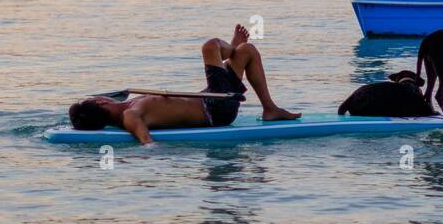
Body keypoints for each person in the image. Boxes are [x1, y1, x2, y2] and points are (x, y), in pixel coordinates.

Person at [68, 25, 300, 145]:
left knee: (247, 51)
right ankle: (229, 48)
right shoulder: (130, 115)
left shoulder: (126, 105)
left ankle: (270, 109)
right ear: (100, 101)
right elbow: (147, 143)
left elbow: (120, 109)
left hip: (212, 96)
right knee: (210, 46)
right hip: (214, 110)